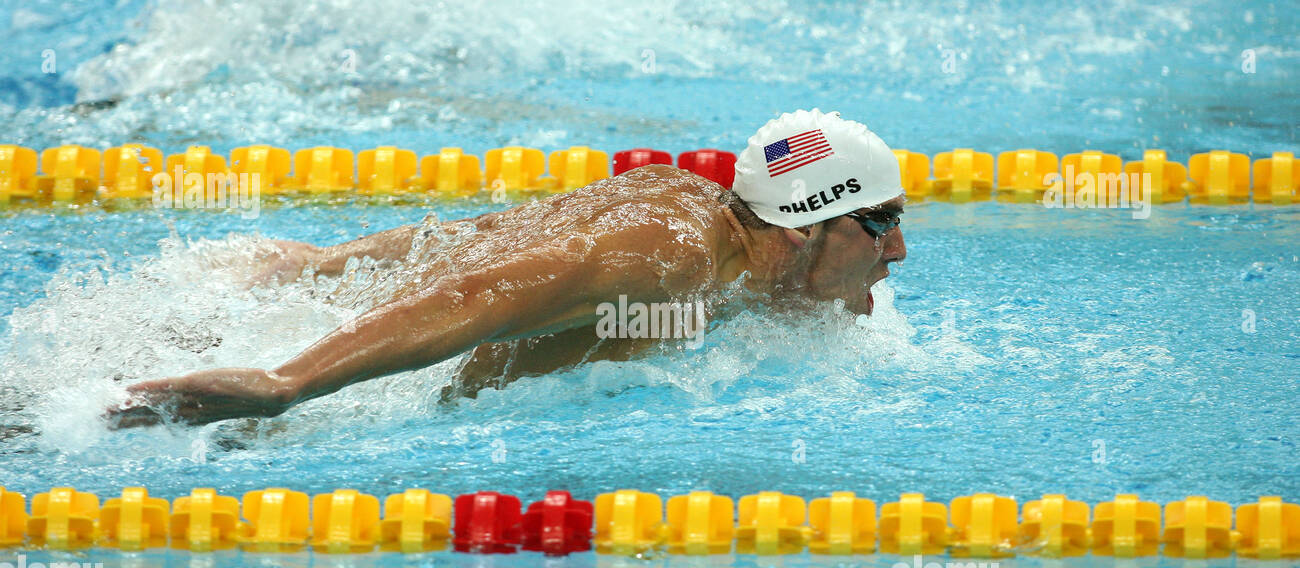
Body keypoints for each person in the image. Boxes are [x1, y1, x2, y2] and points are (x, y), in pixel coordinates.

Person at [106, 109, 907, 428]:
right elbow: (478, 286)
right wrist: (287, 383)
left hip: (345, 325)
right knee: (80, 425)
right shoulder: (668, 259)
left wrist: (316, 266)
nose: (896, 253)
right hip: (380, 394)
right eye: (880, 227)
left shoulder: (692, 204)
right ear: (804, 230)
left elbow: (479, 232)